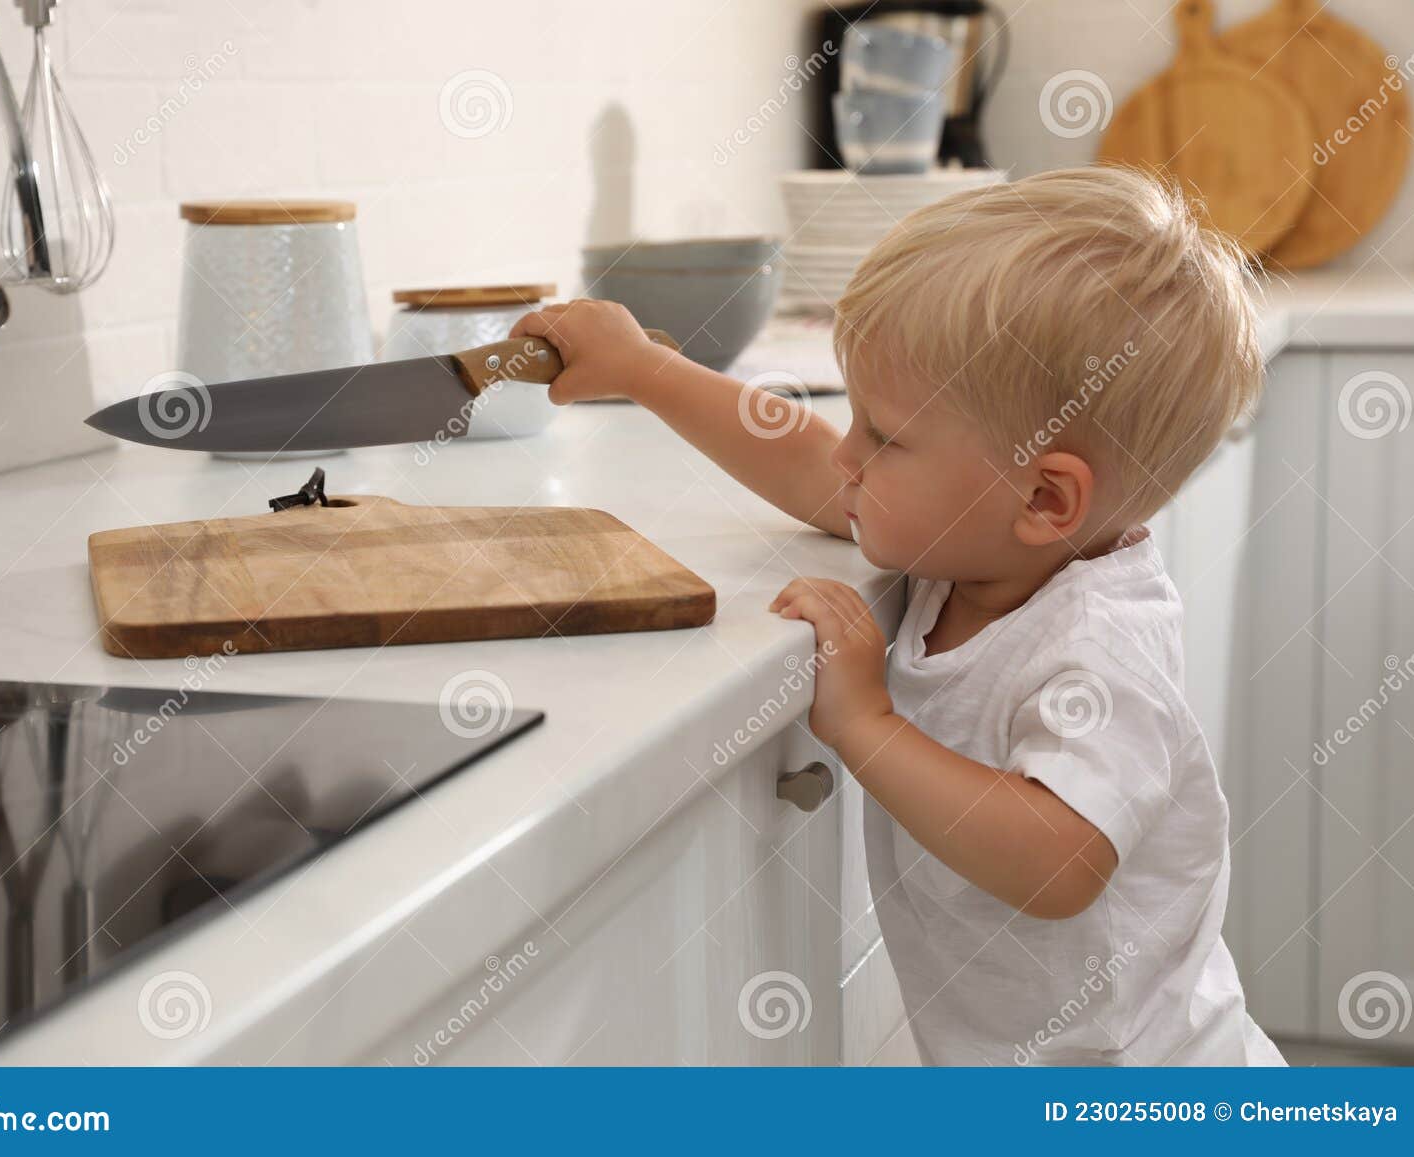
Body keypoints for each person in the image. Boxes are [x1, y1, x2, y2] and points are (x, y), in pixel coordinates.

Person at [511, 166, 1285, 1065]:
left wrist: (867, 723)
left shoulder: (1102, 642)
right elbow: (805, 460)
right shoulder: (981, 544)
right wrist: (644, 368)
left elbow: (1060, 860)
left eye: (883, 434)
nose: (848, 453)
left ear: (1043, 496)